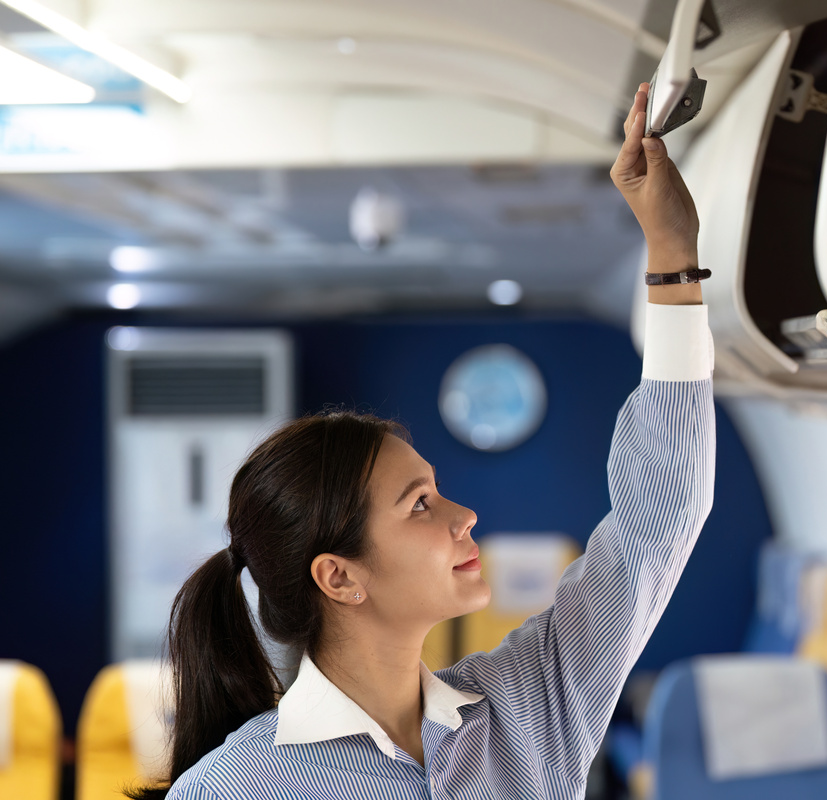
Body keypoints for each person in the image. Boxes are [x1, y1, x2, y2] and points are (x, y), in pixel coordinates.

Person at [132, 82, 715, 800]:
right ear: (339, 576)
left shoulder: (526, 708)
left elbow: (657, 524)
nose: (463, 515)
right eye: (419, 505)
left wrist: (672, 254)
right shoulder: (235, 788)